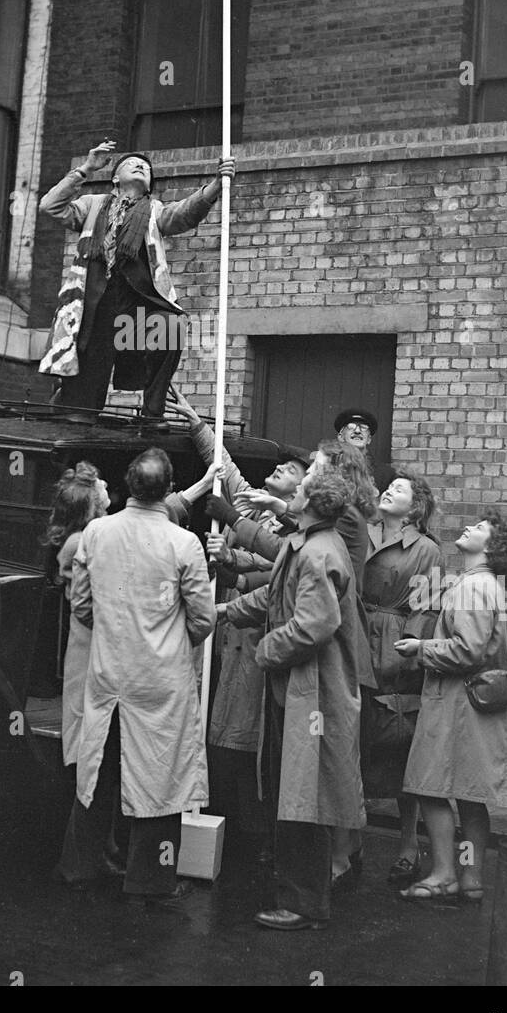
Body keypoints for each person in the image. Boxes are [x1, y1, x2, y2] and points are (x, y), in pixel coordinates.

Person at [56, 447, 216, 904]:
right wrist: (166, 638)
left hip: (108, 674)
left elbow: (81, 607)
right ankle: (151, 880)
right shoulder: (183, 543)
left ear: (127, 486)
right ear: (167, 489)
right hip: (161, 680)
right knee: (161, 777)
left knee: (98, 769)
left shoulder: (96, 534)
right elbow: (203, 619)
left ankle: (78, 866)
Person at [223, 469, 365, 930]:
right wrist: (227, 610)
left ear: (308, 502)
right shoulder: (305, 544)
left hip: (314, 692)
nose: (293, 491)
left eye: (300, 488)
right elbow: (274, 596)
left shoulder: (319, 551)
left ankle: (303, 904)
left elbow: (314, 624)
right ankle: (300, 896)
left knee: (305, 796)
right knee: (295, 790)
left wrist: (266, 651)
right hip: (301, 690)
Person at [172, 390, 310, 850]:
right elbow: (223, 466)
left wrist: (232, 557)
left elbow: (281, 574)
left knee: (250, 735)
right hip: (225, 633)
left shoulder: (294, 529)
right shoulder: (249, 501)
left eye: (289, 470)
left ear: (301, 490)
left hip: (258, 636)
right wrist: (196, 422)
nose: (277, 470)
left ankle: (255, 835)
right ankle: (220, 819)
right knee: (218, 722)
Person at [38, 139, 235, 426]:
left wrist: (216, 185)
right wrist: (86, 169)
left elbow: (184, 214)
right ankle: (71, 410)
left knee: (171, 325)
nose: (141, 166)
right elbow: (50, 206)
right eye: (132, 164)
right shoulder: (92, 205)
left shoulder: (154, 211)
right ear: (115, 178)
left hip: (136, 308)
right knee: (77, 412)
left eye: (146, 167)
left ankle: (153, 413)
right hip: (94, 307)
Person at [395, 508, 507, 904]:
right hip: (475, 706)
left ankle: (444, 874)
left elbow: (467, 650)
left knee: (431, 787)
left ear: (491, 546)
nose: (469, 527)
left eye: (480, 528)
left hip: (456, 704)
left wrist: (422, 647)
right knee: (470, 794)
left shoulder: (471, 586)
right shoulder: (486, 584)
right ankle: (471, 878)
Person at [363, 471, 444, 885]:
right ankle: (348, 842)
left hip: (396, 647)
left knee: (400, 744)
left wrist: (410, 645)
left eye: (399, 488)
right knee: (356, 739)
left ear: (415, 507)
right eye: (387, 485)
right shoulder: (362, 531)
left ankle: (409, 843)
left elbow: (427, 605)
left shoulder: (426, 549)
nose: (388, 489)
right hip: (357, 634)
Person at [42, 462, 111, 770]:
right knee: (82, 704)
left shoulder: (83, 536)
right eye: (100, 486)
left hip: (85, 634)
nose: (106, 485)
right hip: (90, 634)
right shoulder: (85, 539)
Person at [333, 406, 395, 494]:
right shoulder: (328, 466)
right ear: (341, 436)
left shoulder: (387, 475)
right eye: (351, 427)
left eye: (363, 427)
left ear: (369, 439)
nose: (357, 431)